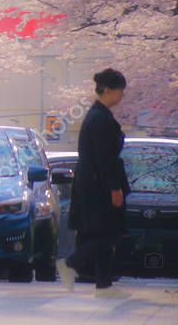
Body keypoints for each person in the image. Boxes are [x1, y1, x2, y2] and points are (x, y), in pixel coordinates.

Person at [58, 68, 131, 298]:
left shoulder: (98, 115)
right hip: (99, 186)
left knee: (101, 234)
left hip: (92, 184)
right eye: (119, 91)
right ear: (107, 89)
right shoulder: (100, 119)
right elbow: (104, 159)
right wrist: (114, 188)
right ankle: (70, 263)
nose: (121, 96)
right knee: (108, 234)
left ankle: (104, 285)